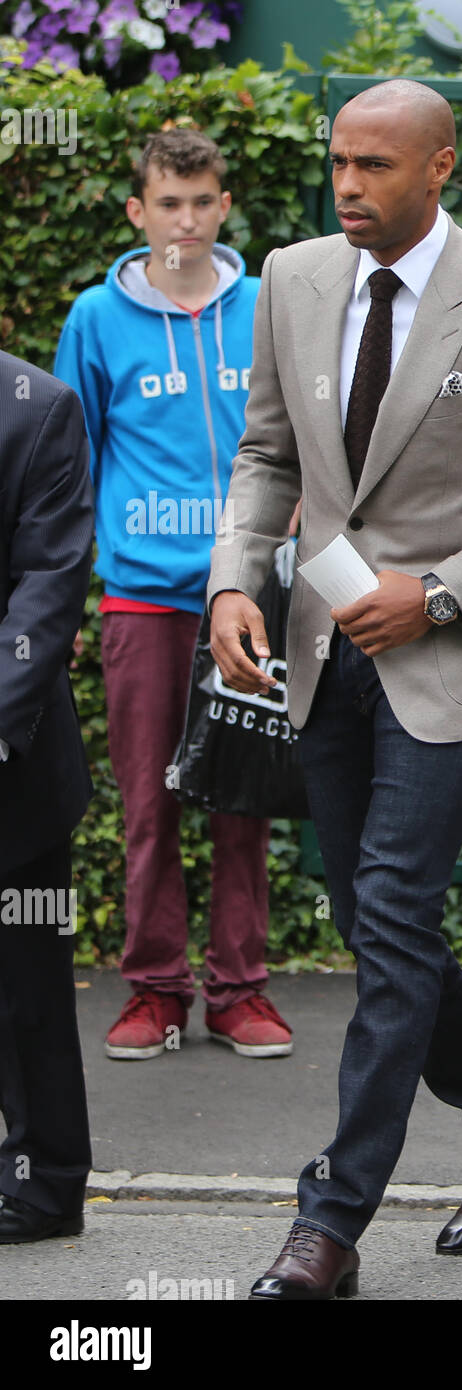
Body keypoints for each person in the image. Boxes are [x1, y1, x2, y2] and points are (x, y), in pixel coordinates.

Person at [208, 79, 462, 1300]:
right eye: (338, 163)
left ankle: (328, 1221)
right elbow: (270, 453)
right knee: (381, 922)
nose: (348, 187)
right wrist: (233, 584)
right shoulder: (292, 275)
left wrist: (437, 593)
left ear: (441, 167)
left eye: (375, 166)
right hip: (322, 655)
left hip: (447, 664)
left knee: (387, 914)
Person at [53, 130, 289, 1062]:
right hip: (143, 599)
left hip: (252, 593)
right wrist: (64, 599)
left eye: (201, 202)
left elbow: (300, 445)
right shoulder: (94, 319)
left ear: (223, 206)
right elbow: (67, 469)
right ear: (137, 212)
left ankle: (240, 991)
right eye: (168, 204)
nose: (185, 221)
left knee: (246, 798)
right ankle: (154, 989)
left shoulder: (270, 307)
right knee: (149, 803)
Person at [0, 351, 95, 1242]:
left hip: (11, 760)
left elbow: (49, 587)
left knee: (23, 993)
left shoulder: (39, 409)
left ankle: (44, 1183)